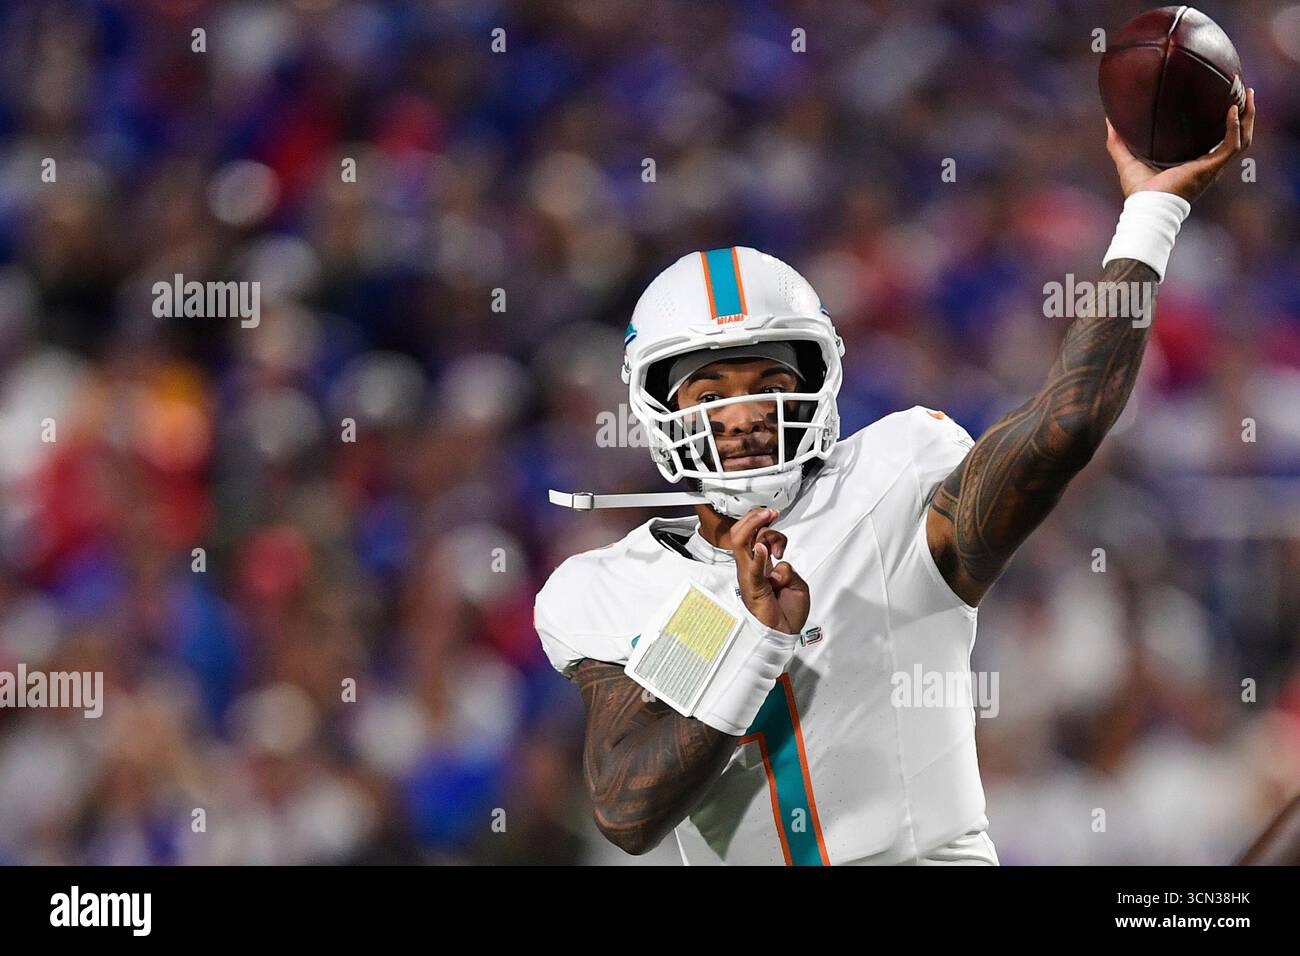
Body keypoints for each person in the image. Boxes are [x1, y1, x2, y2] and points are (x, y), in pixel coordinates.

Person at [535, 96, 1256, 865]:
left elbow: (1067, 423)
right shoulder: (607, 585)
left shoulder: (895, 476)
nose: (742, 417)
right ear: (658, 409)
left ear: (815, 388)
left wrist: (1149, 214)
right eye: (711, 395)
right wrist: (751, 639)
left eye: (766, 384)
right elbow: (625, 808)